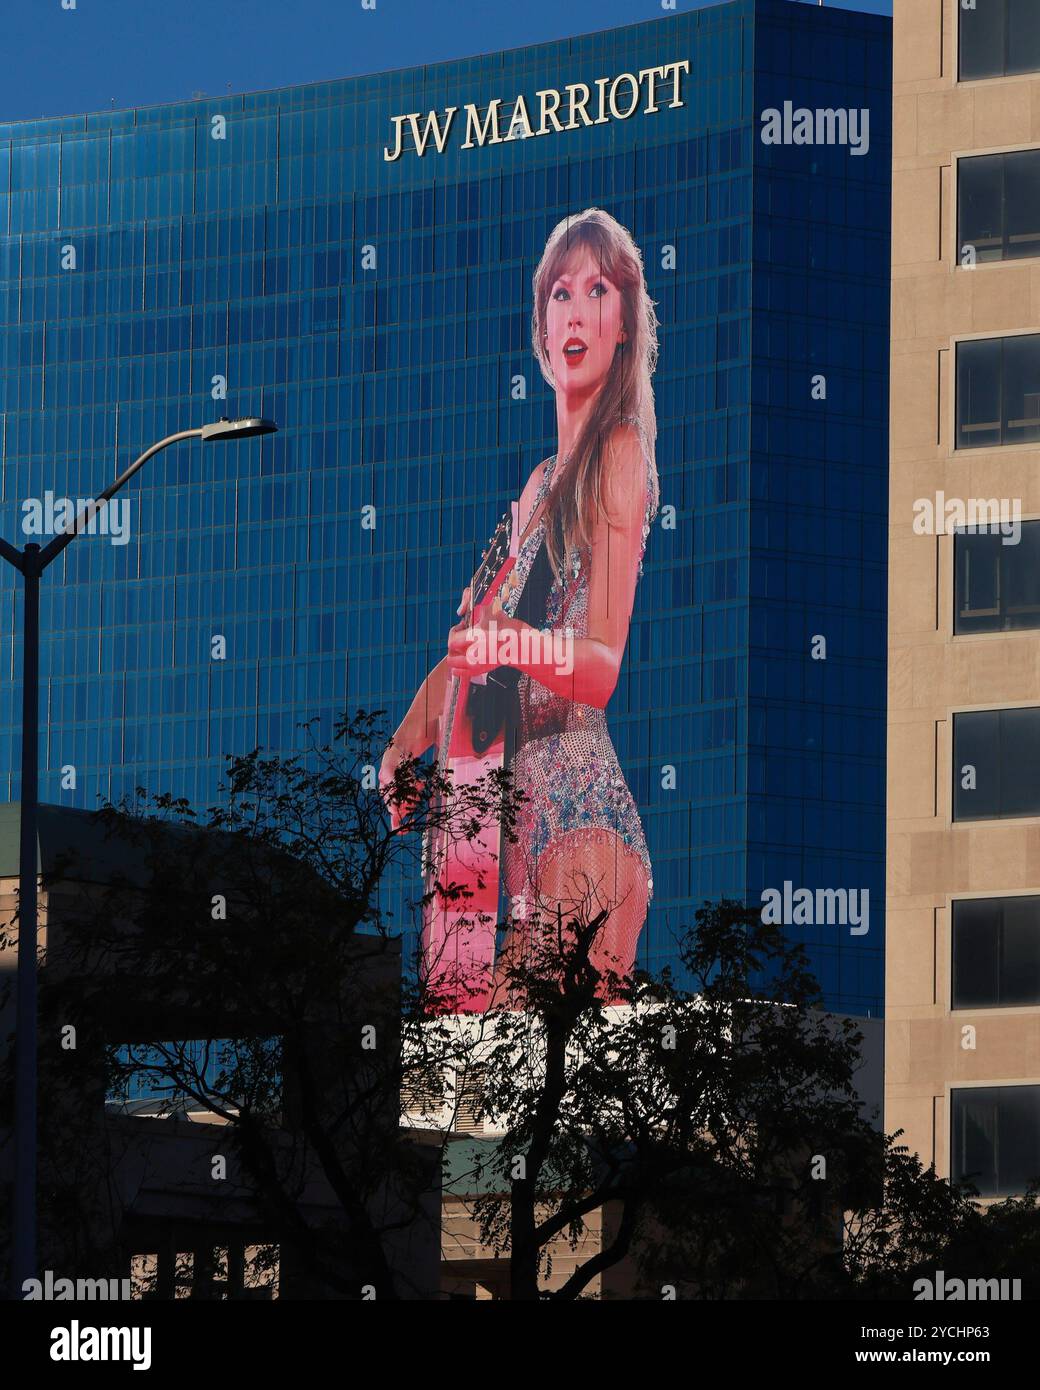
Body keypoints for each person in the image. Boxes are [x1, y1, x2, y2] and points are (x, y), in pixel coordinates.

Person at [381, 207, 659, 1004]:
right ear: (542, 327)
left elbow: (600, 668)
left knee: (517, 1102)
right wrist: (400, 750)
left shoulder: (618, 455)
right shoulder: (535, 490)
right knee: (475, 1098)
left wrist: (516, 645)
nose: (574, 308)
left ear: (624, 327)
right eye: (559, 291)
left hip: (582, 825)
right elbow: (473, 651)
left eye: (597, 288)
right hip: (503, 829)